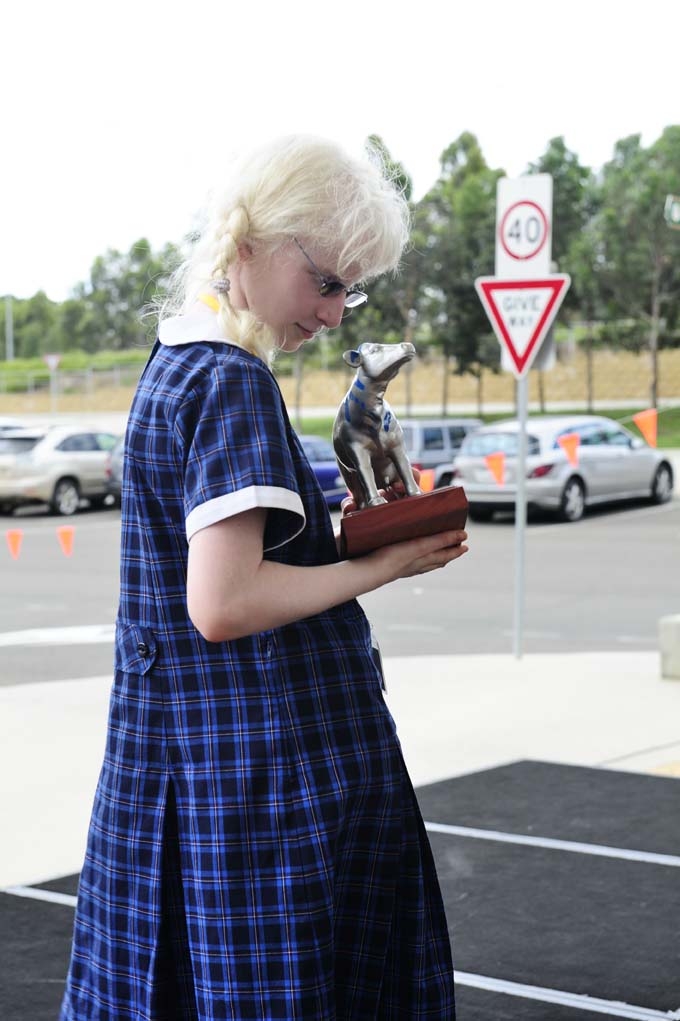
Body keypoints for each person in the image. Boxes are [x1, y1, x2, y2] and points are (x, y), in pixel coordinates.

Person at [60, 135, 468, 1020]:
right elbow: (224, 602)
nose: (333, 315)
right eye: (325, 281)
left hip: (186, 764)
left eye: (349, 290)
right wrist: (380, 561)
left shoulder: (174, 364)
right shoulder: (232, 379)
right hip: (264, 773)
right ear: (249, 248)